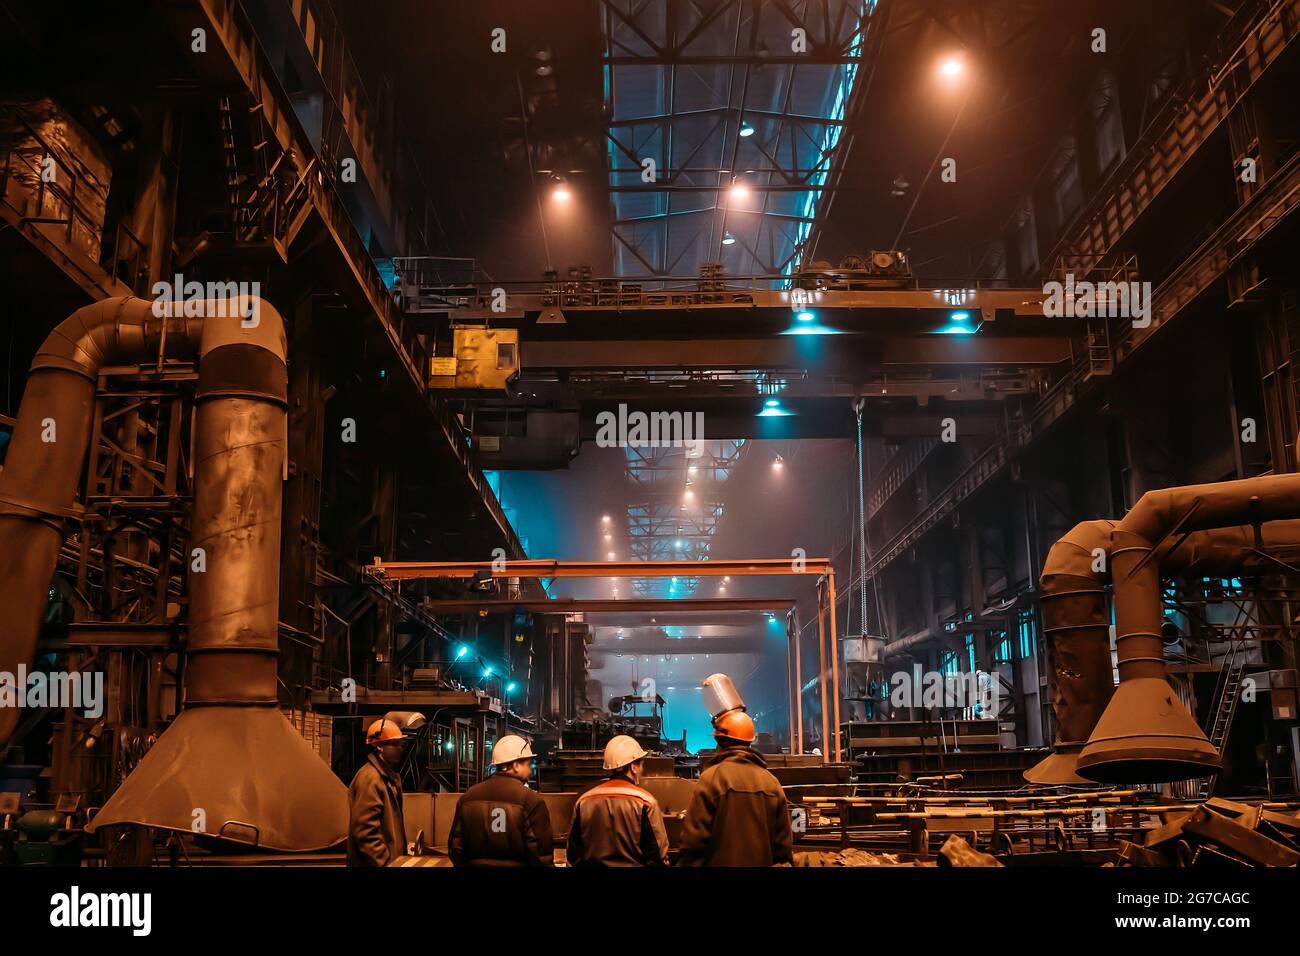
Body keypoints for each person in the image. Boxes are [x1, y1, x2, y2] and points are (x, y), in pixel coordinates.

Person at [677, 709, 794, 866]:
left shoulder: (711, 780)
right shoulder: (771, 783)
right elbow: (783, 851)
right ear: (750, 742)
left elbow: (693, 846)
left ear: (720, 741)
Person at [448, 734, 554, 866]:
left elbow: (456, 848)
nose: (530, 770)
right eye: (528, 764)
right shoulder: (531, 801)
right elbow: (540, 855)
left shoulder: (468, 798)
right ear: (515, 765)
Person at [566, 735, 669, 867]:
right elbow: (657, 855)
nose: (642, 770)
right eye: (641, 764)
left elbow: (573, 855)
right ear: (633, 767)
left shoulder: (584, 801)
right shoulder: (645, 802)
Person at [346, 717, 409, 866]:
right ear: (379, 746)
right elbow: (366, 831)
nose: (400, 748)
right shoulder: (371, 779)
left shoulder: (385, 778)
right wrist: (384, 862)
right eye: (395, 744)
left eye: (401, 744)